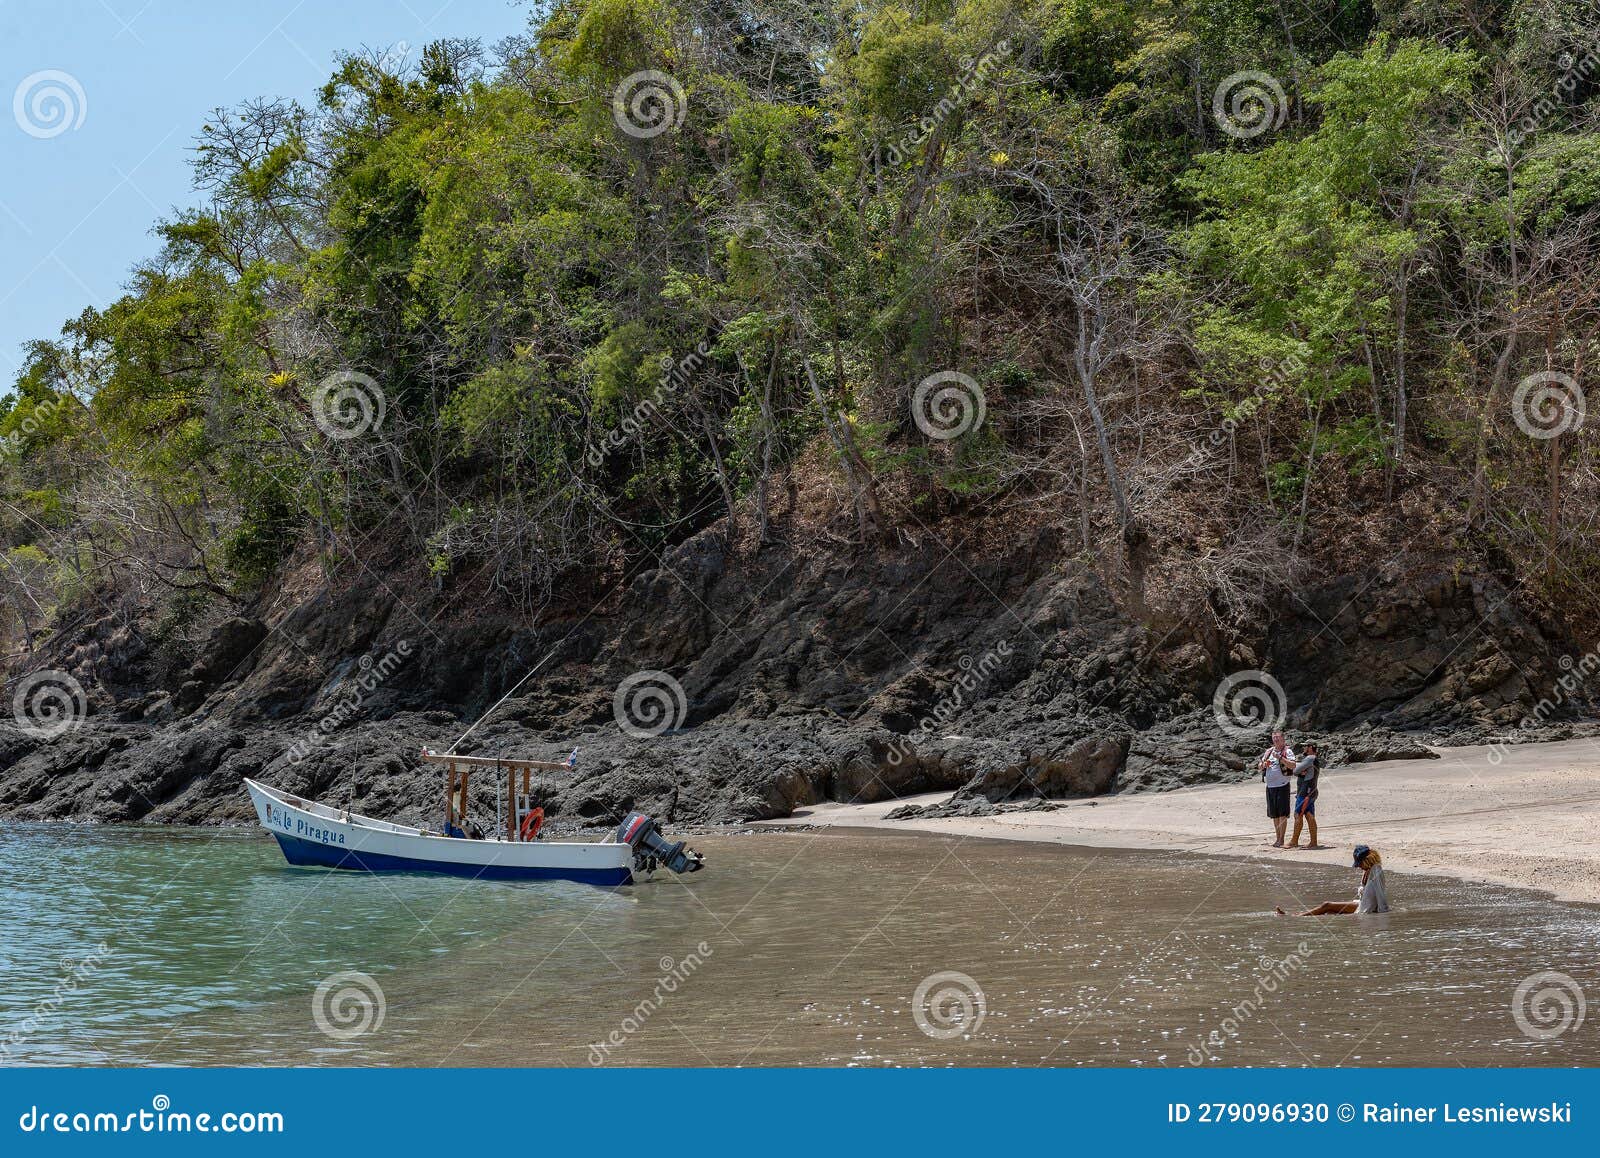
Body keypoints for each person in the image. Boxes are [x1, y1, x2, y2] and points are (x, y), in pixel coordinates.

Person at [1277, 845, 1389, 916]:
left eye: (1360, 864)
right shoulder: (1367, 870)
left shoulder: (1376, 870)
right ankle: (1298, 915)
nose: (1359, 867)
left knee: (1327, 905)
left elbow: (1380, 892)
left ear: (1367, 860)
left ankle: (1296, 916)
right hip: (1363, 904)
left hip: (1367, 908)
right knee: (1329, 912)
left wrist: (1383, 912)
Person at [1257, 731, 1296, 847]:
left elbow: (1293, 765)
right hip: (1270, 787)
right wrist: (1263, 765)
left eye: (1278, 737)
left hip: (1282, 785)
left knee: (1282, 814)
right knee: (1274, 814)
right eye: (1274, 738)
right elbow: (1259, 766)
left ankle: (1281, 839)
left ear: (1283, 739)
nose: (1275, 739)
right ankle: (1277, 838)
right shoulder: (1269, 751)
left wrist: (1280, 758)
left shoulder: (1287, 751)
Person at [1285, 742, 1320, 849]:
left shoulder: (1310, 758)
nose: (1303, 748)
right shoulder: (1313, 759)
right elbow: (1299, 771)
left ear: (1310, 748)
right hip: (1310, 791)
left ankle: (1294, 841)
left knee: (1298, 814)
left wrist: (1299, 771)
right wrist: (1301, 771)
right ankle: (1313, 842)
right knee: (1309, 815)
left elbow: (1295, 770)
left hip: (1306, 792)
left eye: (1305, 746)